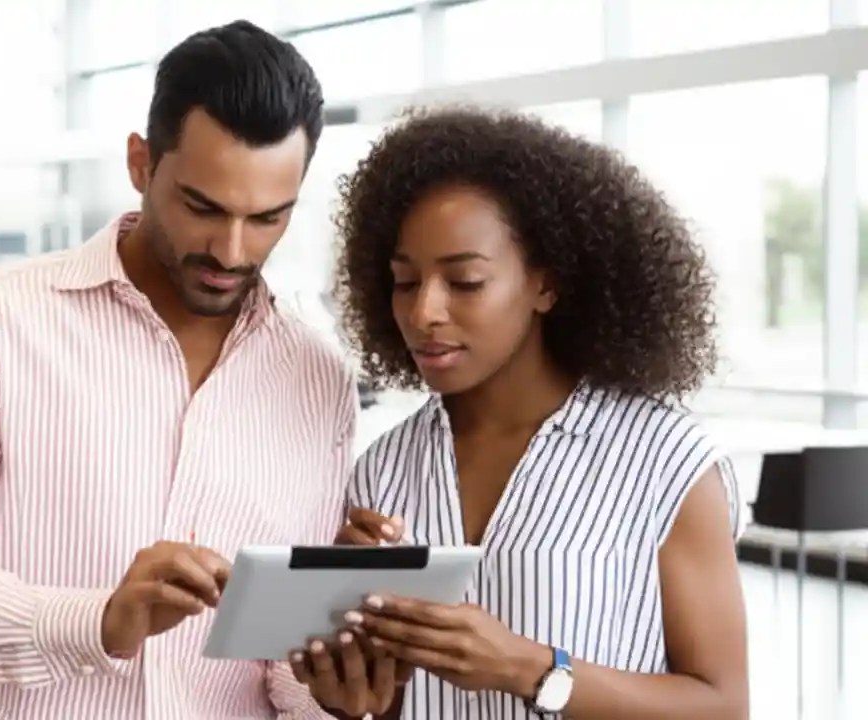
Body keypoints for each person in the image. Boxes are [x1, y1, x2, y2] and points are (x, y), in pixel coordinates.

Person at [0, 20, 358, 720]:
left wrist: (339, 695)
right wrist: (99, 622)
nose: (232, 250)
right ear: (140, 163)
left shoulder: (317, 376)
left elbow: (278, 672)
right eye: (201, 207)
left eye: (268, 218)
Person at [290, 106, 749, 720]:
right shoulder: (383, 472)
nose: (425, 311)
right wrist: (357, 702)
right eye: (405, 282)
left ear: (546, 284)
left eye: (466, 282)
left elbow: (724, 707)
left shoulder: (668, 463)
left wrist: (527, 669)